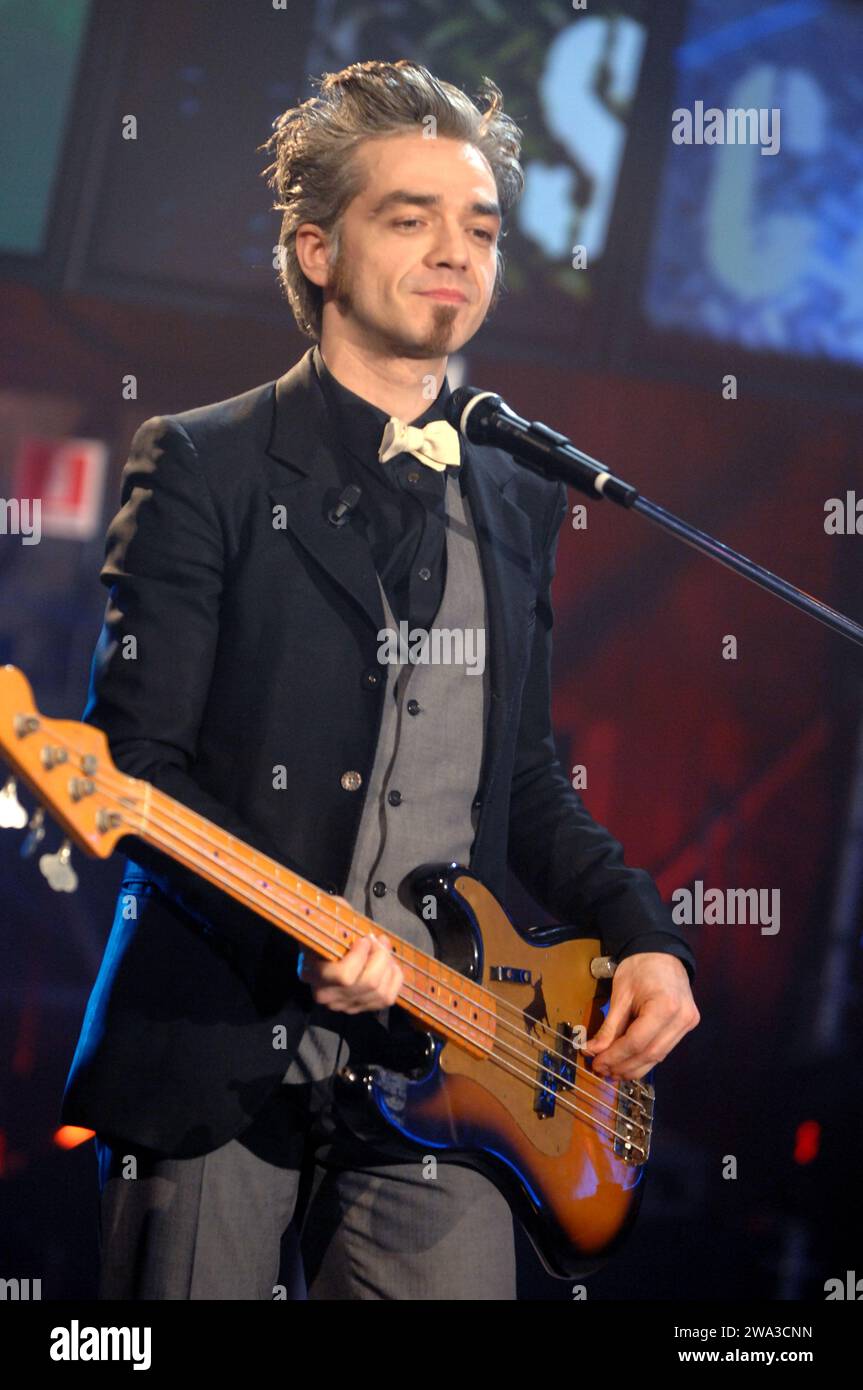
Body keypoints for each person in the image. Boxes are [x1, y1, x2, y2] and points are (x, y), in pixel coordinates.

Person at [61, 59, 699, 1301]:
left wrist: (645, 937)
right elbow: (139, 772)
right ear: (314, 250)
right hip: (212, 1059)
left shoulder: (516, 492)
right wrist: (296, 935)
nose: (452, 251)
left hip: (452, 1080)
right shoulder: (202, 462)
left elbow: (518, 781)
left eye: (478, 227)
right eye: (408, 218)